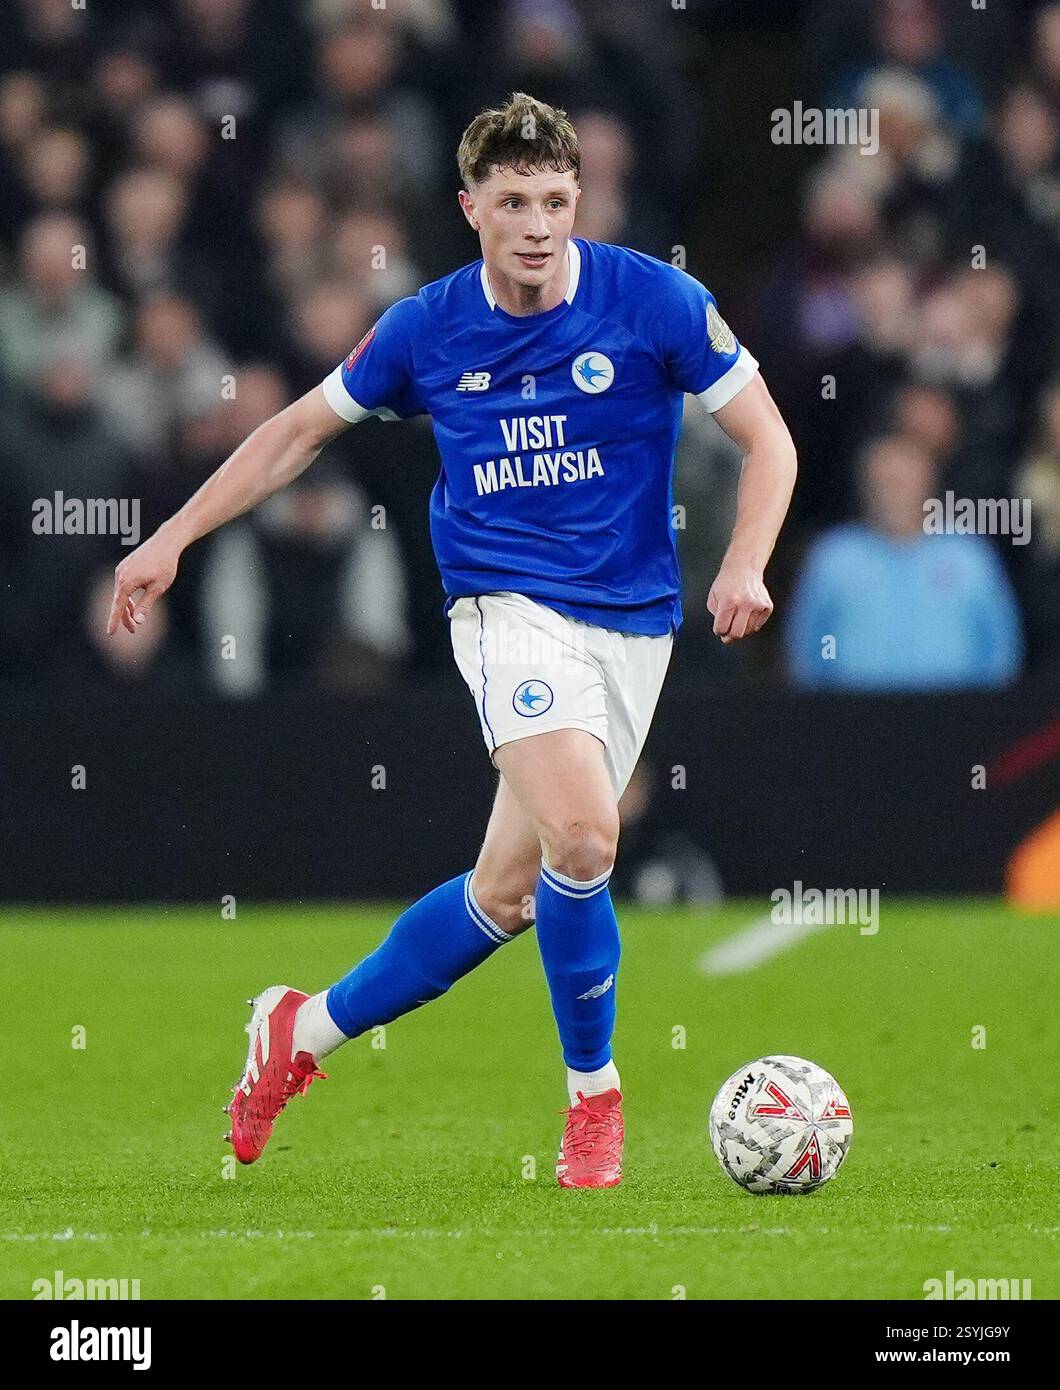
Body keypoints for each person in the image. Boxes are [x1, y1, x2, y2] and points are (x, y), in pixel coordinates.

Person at [108, 93, 797, 1189]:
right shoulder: (426, 328)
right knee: (585, 836)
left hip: (631, 624)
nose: (537, 223)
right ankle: (594, 1100)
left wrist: (745, 560)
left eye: (556, 201)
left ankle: (299, 1032)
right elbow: (294, 433)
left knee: (508, 895)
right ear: (470, 204)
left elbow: (769, 440)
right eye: (514, 200)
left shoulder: (654, 300)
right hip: (504, 612)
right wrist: (174, 537)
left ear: (579, 203)